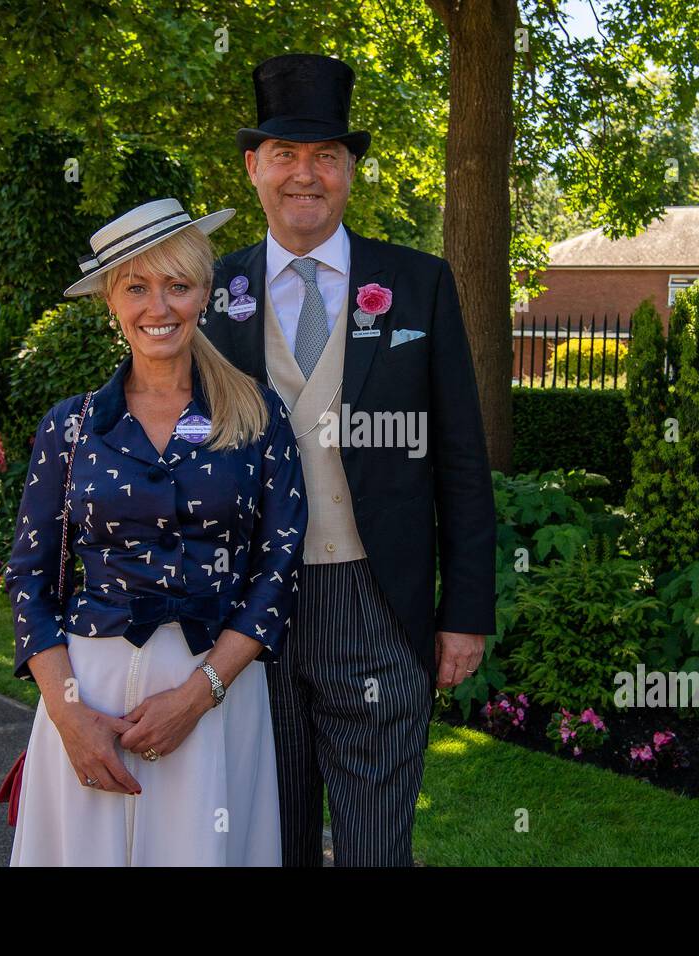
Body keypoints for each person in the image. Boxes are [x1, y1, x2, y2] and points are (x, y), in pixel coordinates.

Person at [203, 54, 497, 867]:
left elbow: (462, 459)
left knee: (374, 848)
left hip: (376, 599)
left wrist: (464, 610)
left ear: (351, 173)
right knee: (271, 837)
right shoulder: (209, 292)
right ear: (253, 166)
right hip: (248, 613)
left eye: (328, 156)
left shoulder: (419, 284)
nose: (307, 175)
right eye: (287, 155)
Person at [4, 197, 307, 866]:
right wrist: (68, 715)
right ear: (112, 300)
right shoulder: (72, 427)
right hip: (90, 701)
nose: (158, 307)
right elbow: (29, 576)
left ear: (203, 292)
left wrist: (199, 696)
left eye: (178, 284)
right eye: (137, 287)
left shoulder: (256, 417)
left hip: (216, 699)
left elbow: (277, 569)